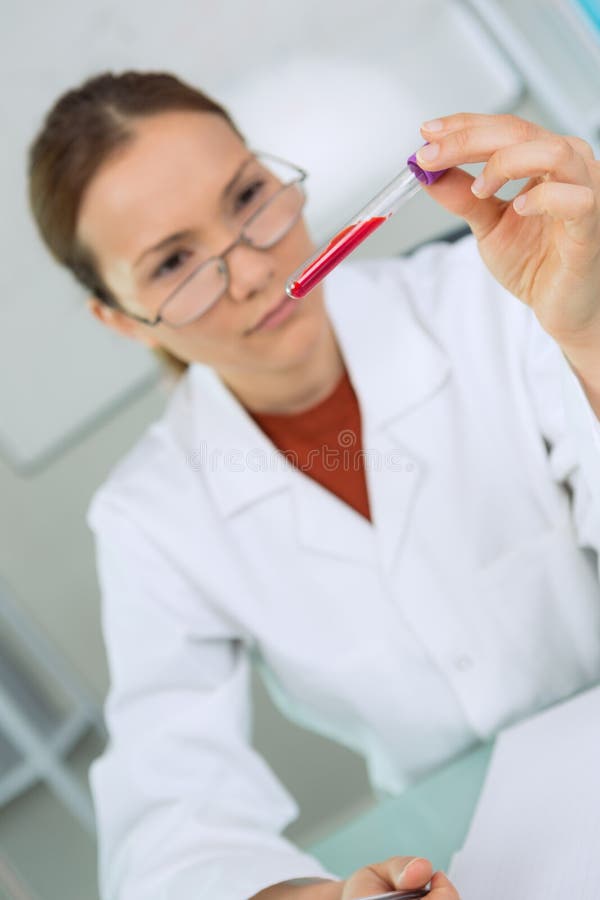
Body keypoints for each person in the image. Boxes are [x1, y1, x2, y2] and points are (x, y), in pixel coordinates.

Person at [28, 69, 600, 900]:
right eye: (175, 262)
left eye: (249, 198)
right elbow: (168, 815)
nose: (253, 271)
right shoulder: (149, 515)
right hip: (449, 855)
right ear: (118, 316)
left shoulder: (495, 303)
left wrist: (590, 337)